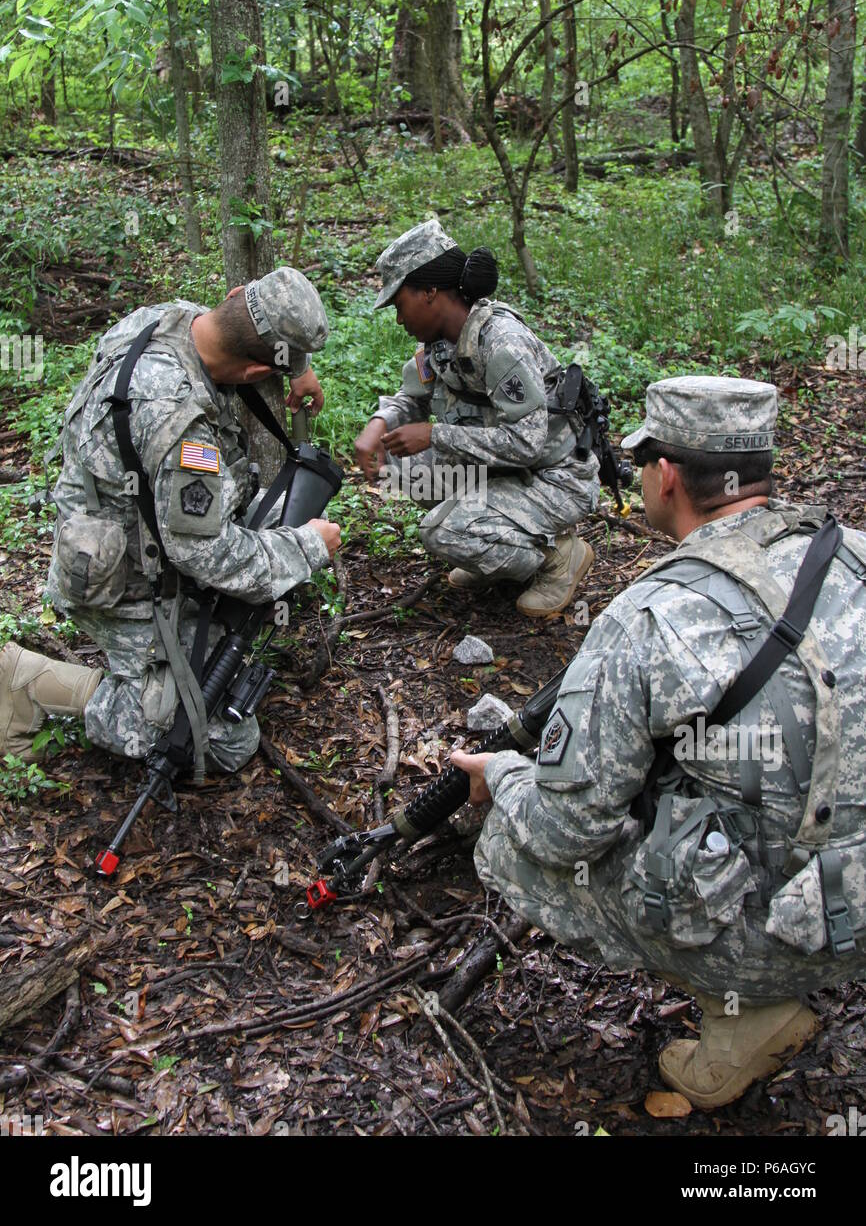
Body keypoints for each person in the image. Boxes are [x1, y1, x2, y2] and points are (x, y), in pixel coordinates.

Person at [452, 375, 866, 1109]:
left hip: (786, 940)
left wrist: (506, 774)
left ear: (666, 475)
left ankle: (747, 1011)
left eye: (642, 463)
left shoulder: (650, 615)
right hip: (852, 903)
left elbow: (565, 831)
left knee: (513, 843)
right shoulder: (855, 555)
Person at [0, 268, 341, 774]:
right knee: (218, 740)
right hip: (123, 576)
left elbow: (252, 326)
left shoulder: (170, 317)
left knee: (284, 542)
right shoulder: (177, 423)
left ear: (233, 296)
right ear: (254, 371)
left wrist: (297, 368)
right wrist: (306, 548)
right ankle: (29, 681)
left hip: (144, 525)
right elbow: (202, 553)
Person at [354, 219, 600, 617]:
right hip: (504, 469)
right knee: (399, 466)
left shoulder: (501, 344)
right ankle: (491, 548)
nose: (399, 319)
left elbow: (526, 443)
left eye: (400, 304)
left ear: (430, 292)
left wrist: (435, 435)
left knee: (440, 532)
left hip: (555, 478)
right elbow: (411, 396)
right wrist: (380, 422)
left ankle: (557, 556)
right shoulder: (440, 344)